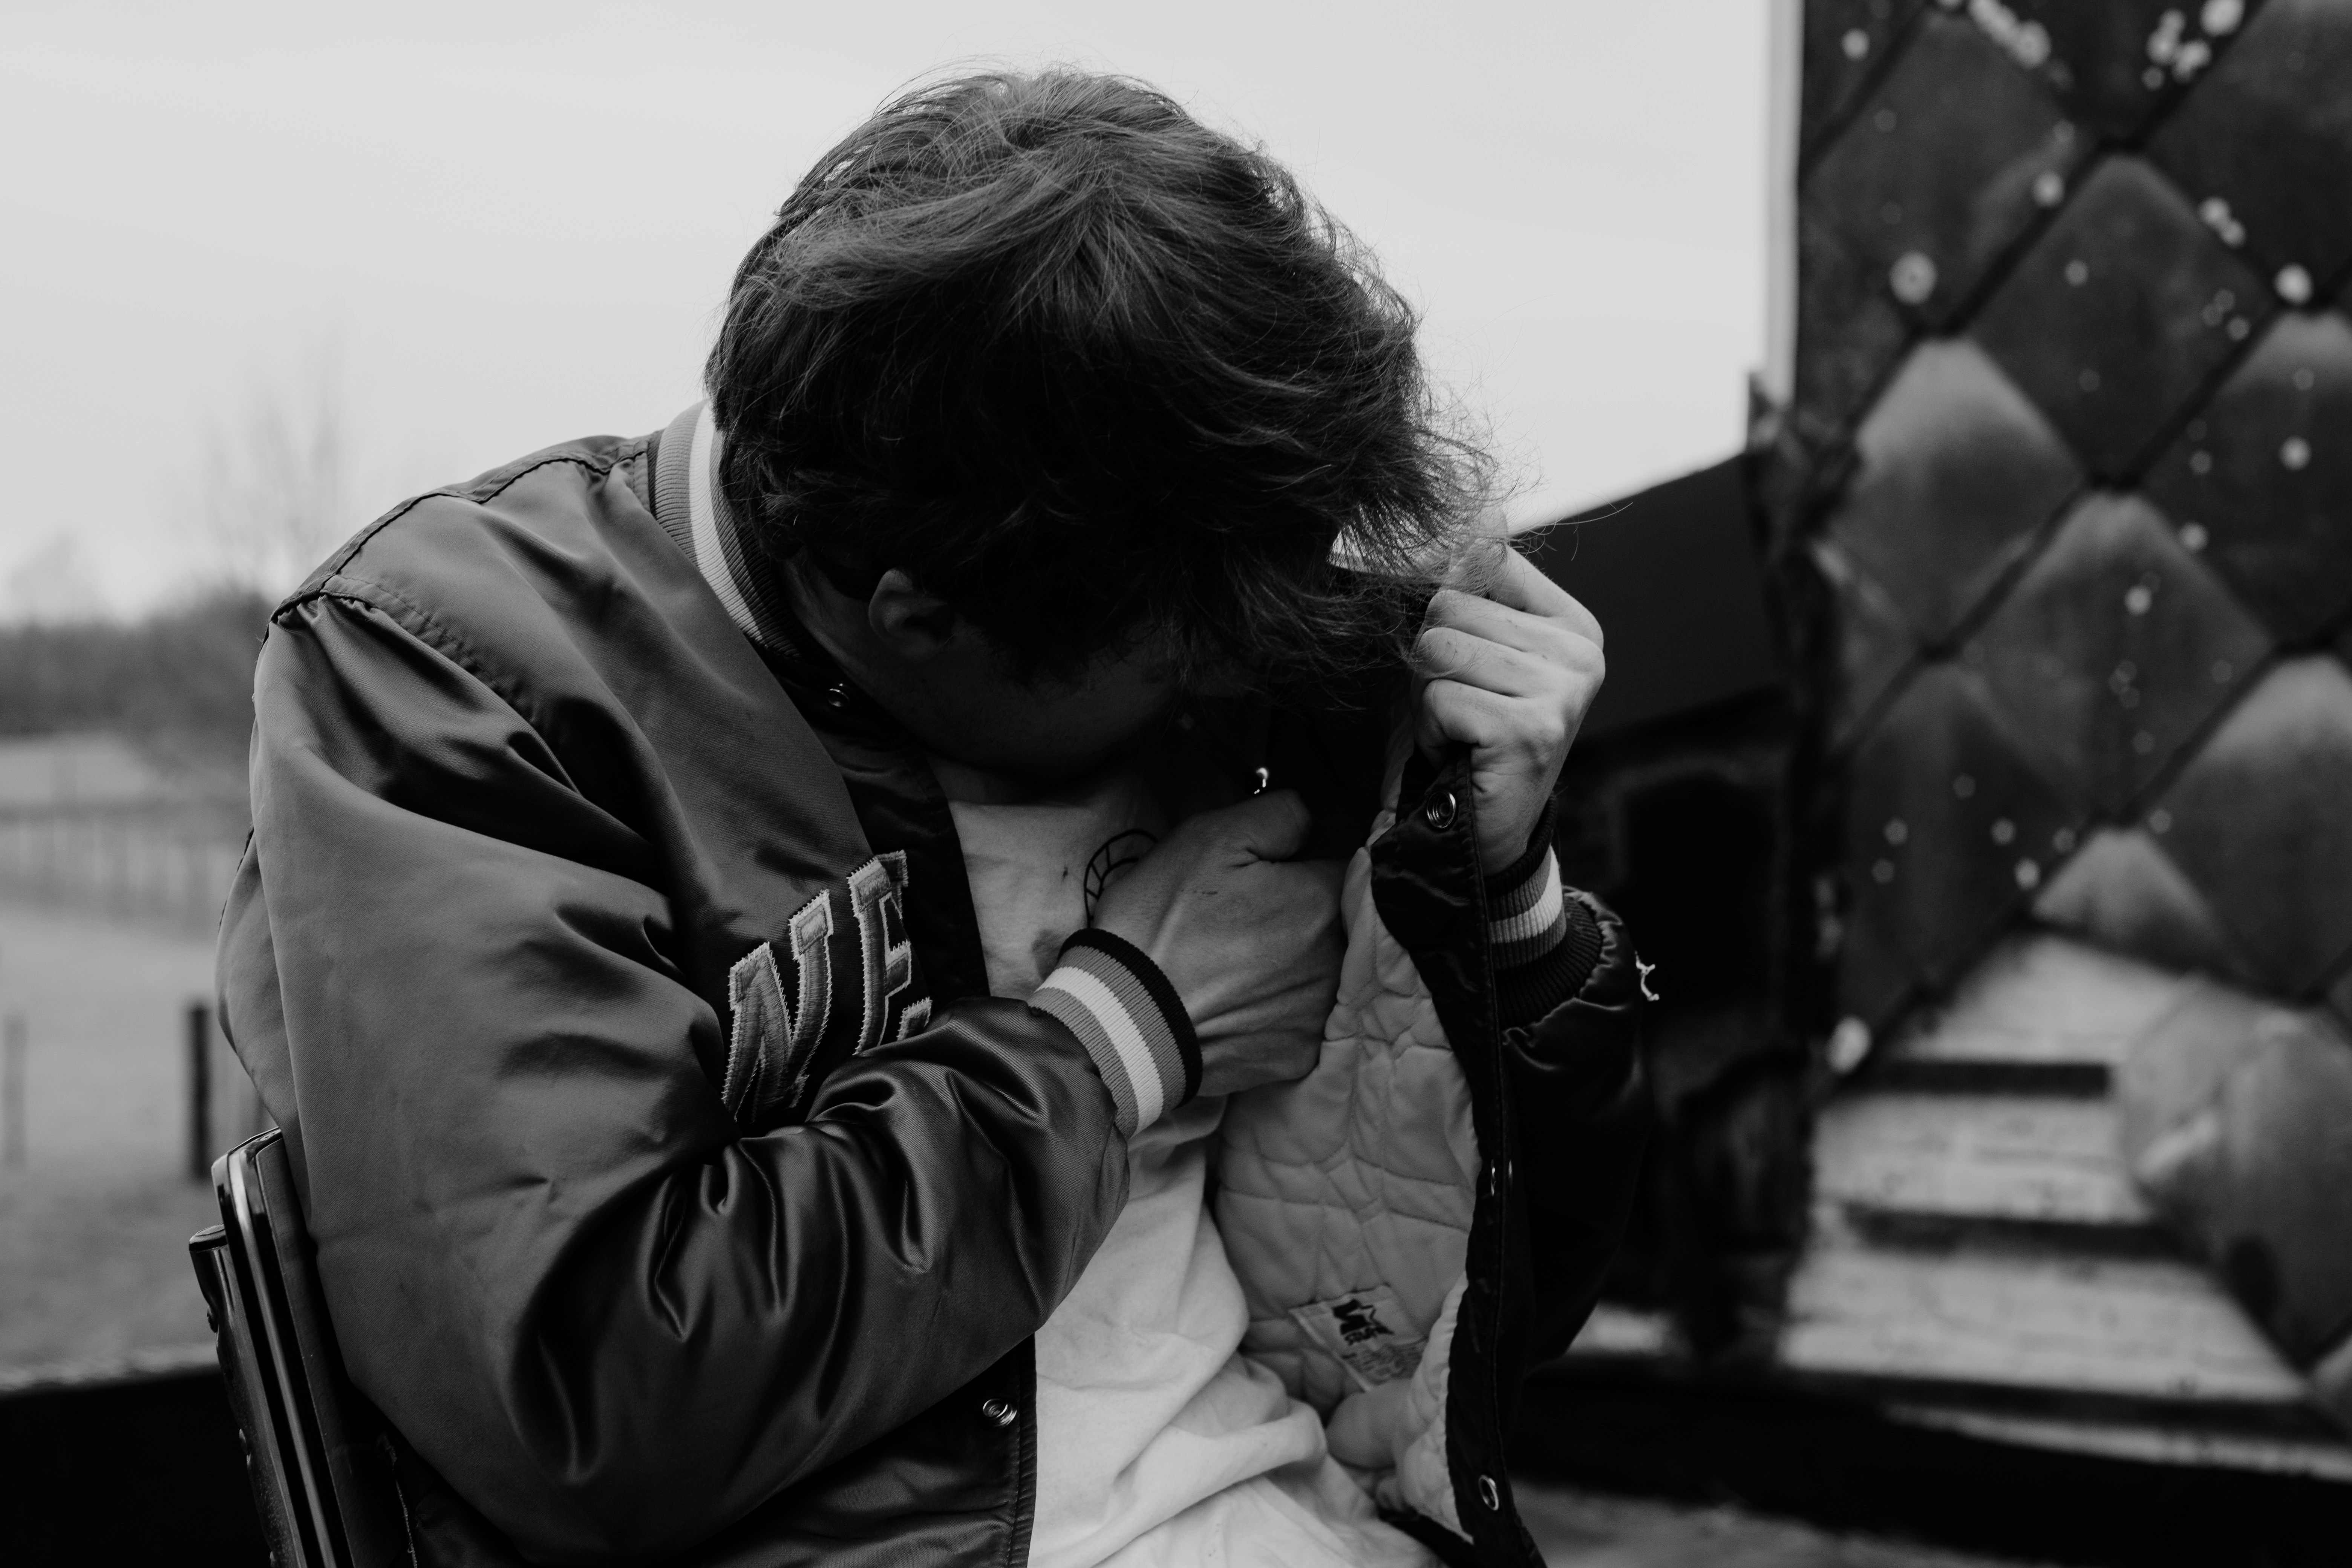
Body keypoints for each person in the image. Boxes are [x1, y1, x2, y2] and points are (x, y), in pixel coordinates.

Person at [219, 70, 1646, 1568]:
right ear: (915, 616)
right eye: (1188, 655)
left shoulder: (1192, 565)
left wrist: (1500, 908)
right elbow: (584, 1398)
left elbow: (1490, 1315)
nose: (1244, 676)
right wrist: (1119, 1033)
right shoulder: (459, 684)